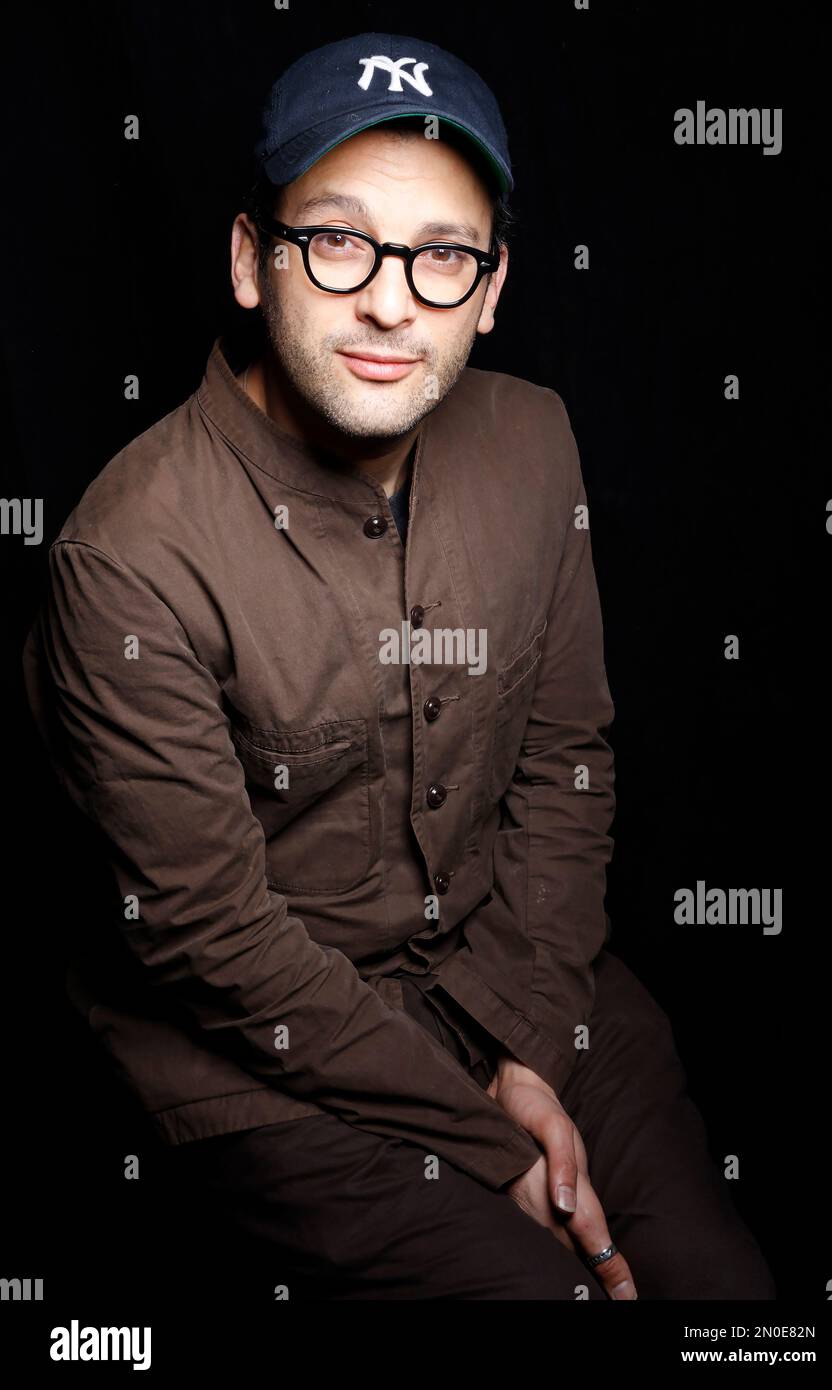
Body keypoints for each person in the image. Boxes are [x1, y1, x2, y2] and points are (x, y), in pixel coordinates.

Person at [21, 30, 775, 1300]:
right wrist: (488, 1145)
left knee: (721, 1299)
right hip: (268, 1051)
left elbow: (563, 760)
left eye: (439, 256)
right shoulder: (127, 557)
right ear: (251, 263)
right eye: (337, 240)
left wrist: (530, 1050)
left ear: (488, 287)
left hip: (523, 963)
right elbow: (212, 941)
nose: (386, 299)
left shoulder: (535, 439)